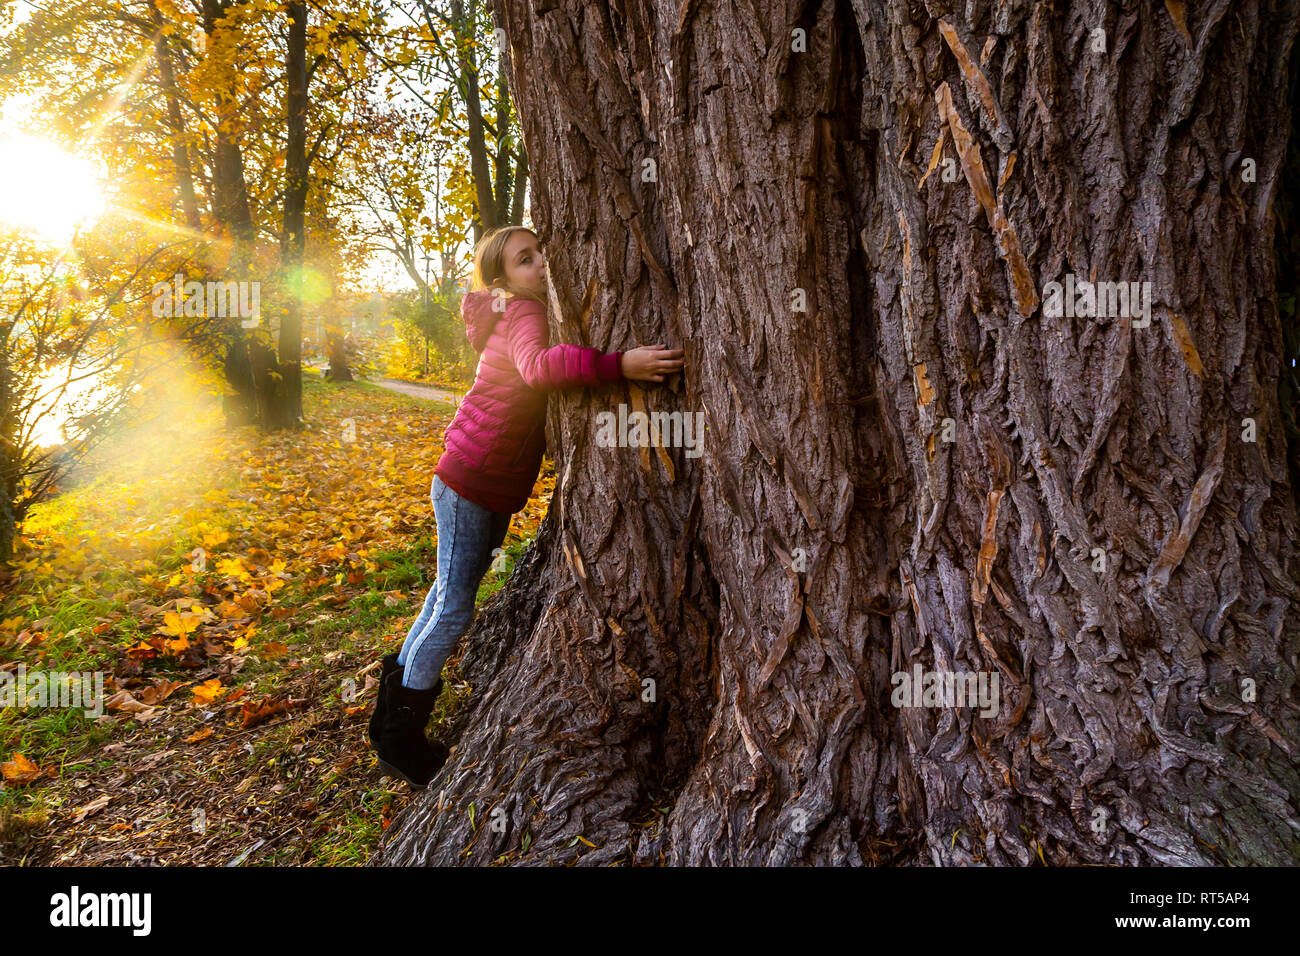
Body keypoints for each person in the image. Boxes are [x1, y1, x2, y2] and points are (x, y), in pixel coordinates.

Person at [367, 226, 685, 787]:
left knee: (443, 597)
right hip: (471, 482)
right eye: (523, 259)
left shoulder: (513, 309)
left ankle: (391, 715)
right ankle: (400, 737)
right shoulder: (522, 312)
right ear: (500, 279)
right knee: (453, 608)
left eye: (541, 253)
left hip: (472, 481)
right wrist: (619, 364)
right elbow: (539, 369)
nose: (540, 264)